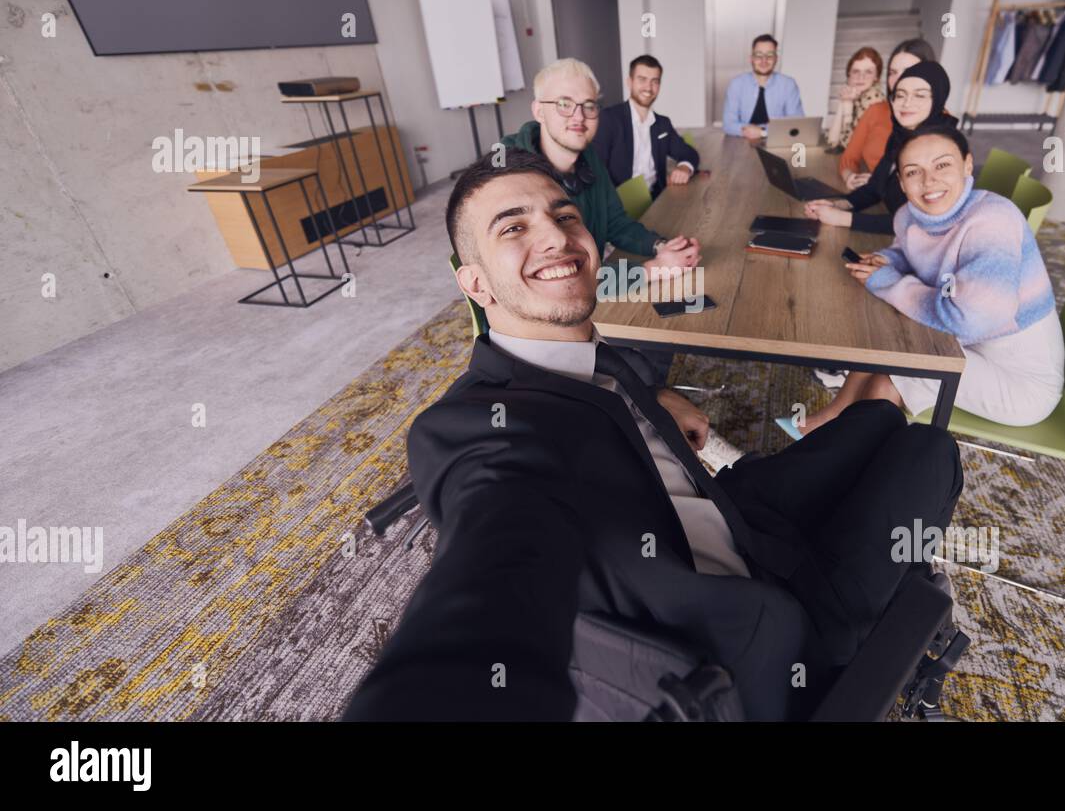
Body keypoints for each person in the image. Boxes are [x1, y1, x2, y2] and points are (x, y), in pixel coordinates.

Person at [342, 148, 964, 722]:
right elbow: (499, 547)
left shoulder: (591, 348)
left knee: (884, 422)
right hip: (762, 625)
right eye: (513, 227)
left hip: (743, 513)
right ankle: (855, 634)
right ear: (475, 284)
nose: (556, 235)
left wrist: (658, 400)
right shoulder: (470, 430)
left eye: (563, 214)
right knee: (931, 451)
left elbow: (598, 392)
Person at [781, 125, 1064, 439]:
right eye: (913, 172)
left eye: (942, 165)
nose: (929, 181)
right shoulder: (908, 216)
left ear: (967, 165)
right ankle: (830, 438)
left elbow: (971, 320)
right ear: (901, 181)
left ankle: (828, 444)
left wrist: (889, 283)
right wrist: (887, 261)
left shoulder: (993, 220)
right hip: (965, 347)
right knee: (885, 350)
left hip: (1019, 378)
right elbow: (908, 251)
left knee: (892, 366)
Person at [502, 57, 699, 271]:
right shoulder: (510, 174)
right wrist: (654, 269)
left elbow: (616, 224)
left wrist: (660, 246)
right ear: (539, 111)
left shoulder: (588, 158)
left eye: (588, 106)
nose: (579, 117)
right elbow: (573, 279)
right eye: (564, 104)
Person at [806, 60, 956, 236]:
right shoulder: (900, 135)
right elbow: (876, 186)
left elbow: (919, 222)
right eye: (900, 95)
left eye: (920, 95)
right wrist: (841, 204)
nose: (907, 103)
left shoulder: (942, 149)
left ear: (937, 100)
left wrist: (842, 218)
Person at [591, 54, 700, 200]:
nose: (649, 87)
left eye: (655, 81)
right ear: (629, 82)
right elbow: (597, 171)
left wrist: (684, 167)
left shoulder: (662, 123)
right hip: (620, 205)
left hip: (657, 200)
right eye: (642, 80)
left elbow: (689, 153)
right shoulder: (609, 119)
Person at [838, 38, 936, 190]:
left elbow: (936, 180)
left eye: (909, 71)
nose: (898, 79)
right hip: (871, 196)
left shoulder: (941, 120)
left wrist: (883, 181)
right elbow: (849, 158)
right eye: (893, 72)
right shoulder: (875, 110)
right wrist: (850, 177)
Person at [721, 34, 804, 141]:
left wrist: (762, 132)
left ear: (776, 59)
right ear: (751, 59)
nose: (764, 60)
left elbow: (796, 123)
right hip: (741, 142)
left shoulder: (788, 85)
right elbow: (728, 124)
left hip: (778, 142)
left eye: (769, 55)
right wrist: (754, 131)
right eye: (759, 55)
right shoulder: (736, 84)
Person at [825, 46, 885, 152]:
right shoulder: (858, 97)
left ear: (876, 77)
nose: (861, 77)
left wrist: (847, 105)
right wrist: (843, 102)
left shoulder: (874, 99)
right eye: (856, 71)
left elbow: (848, 144)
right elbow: (832, 141)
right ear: (849, 75)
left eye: (868, 72)